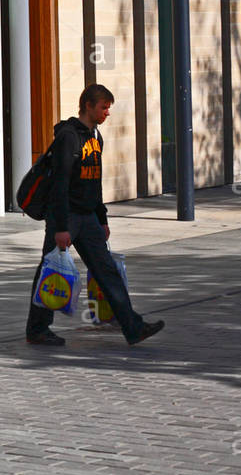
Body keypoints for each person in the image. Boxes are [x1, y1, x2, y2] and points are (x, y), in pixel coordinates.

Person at [26, 84, 165, 347]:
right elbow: (59, 184)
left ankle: (133, 327)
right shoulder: (68, 137)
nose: (107, 113)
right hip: (66, 217)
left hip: (88, 217)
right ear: (88, 106)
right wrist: (61, 227)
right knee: (50, 270)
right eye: (103, 107)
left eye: (108, 108)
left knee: (107, 270)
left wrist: (102, 219)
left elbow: (95, 182)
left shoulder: (95, 137)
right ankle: (37, 330)